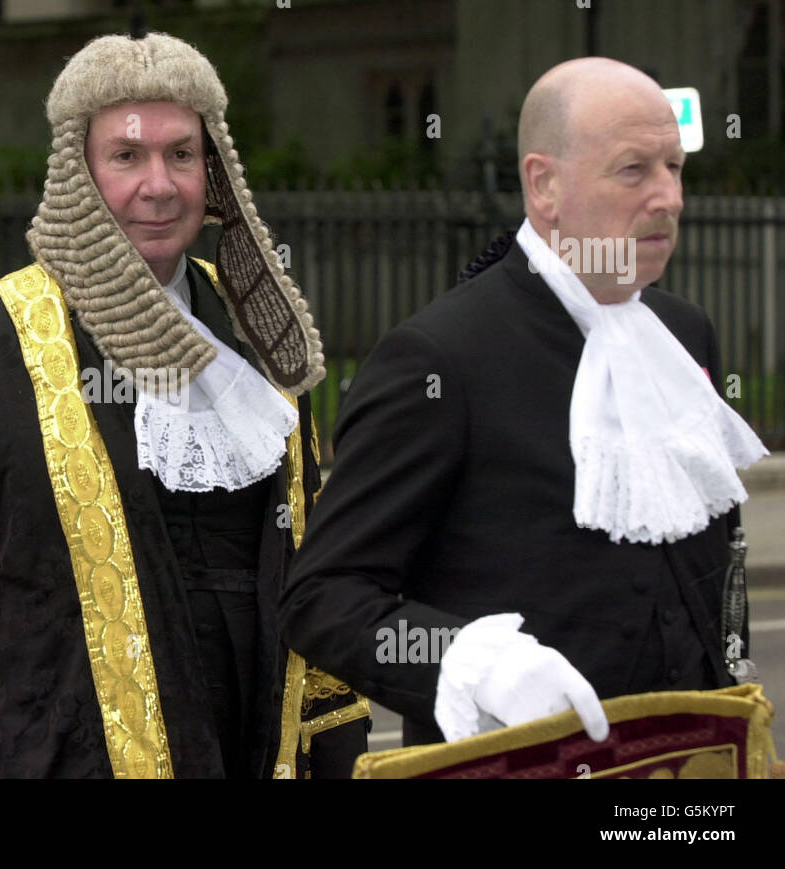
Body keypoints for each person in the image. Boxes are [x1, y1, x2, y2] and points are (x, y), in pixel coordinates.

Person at [0, 31, 369, 778]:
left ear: (213, 169)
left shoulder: (256, 335)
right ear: (80, 173)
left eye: (182, 154)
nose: (159, 184)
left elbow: (319, 587)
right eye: (127, 156)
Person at [279, 57, 769, 749]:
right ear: (544, 185)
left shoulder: (686, 334)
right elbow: (322, 600)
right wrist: (468, 661)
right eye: (634, 170)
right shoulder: (440, 359)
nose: (669, 197)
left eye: (675, 167)